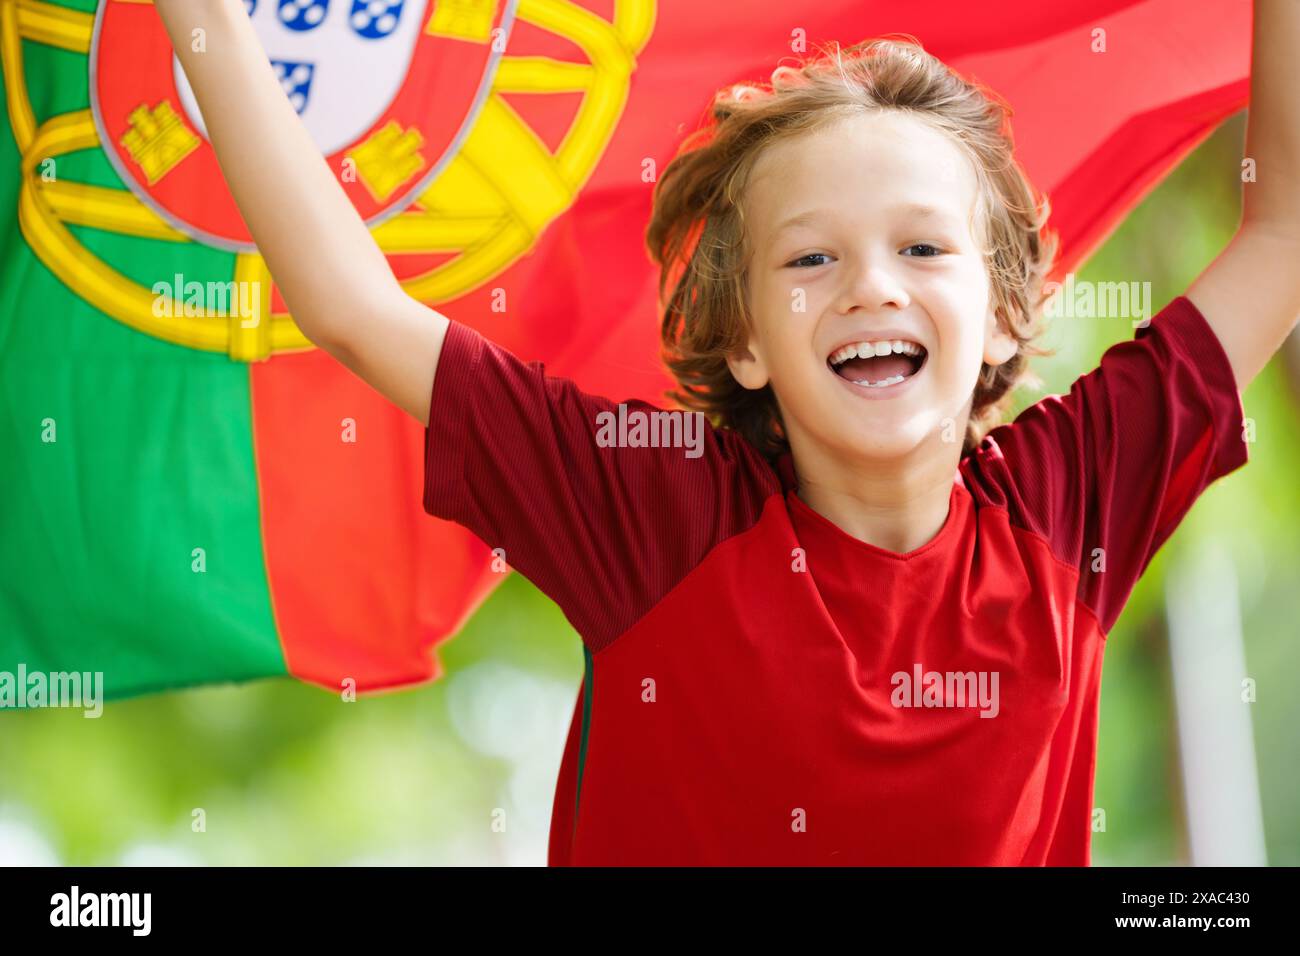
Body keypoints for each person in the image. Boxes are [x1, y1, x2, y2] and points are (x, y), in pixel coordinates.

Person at [155, 0, 1300, 865]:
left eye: (922, 248)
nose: (870, 287)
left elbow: (1283, 229)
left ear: (1003, 311)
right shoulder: (652, 515)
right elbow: (355, 311)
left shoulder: (1072, 504)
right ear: (745, 339)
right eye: (811, 258)